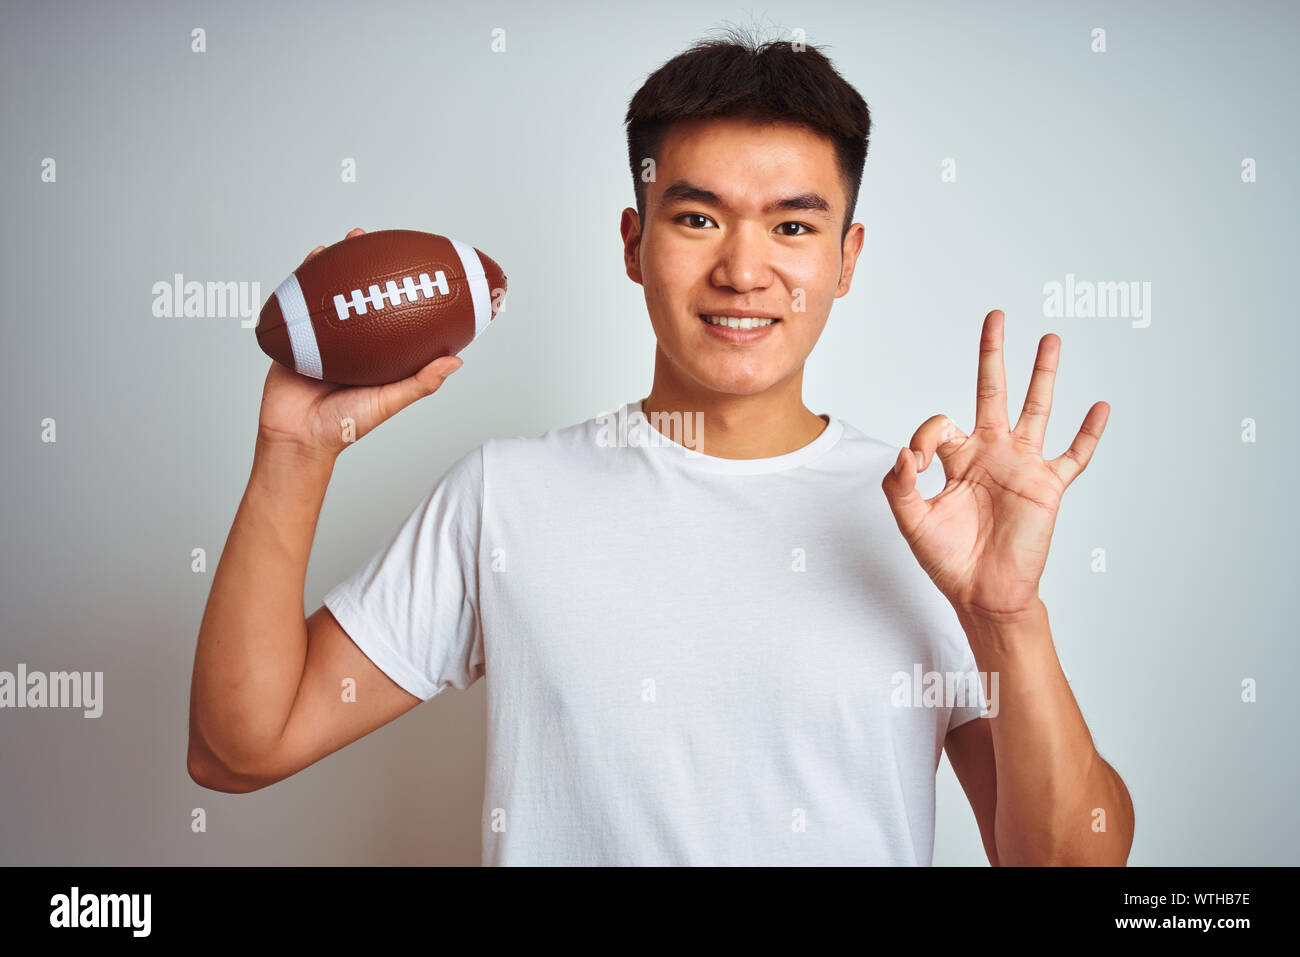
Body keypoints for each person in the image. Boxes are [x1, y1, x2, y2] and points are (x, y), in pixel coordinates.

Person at [187, 29, 1134, 866]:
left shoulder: (930, 524)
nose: (742, 268)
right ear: (635, 244)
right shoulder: (507, 498)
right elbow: (238, 747)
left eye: (793, 225)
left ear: (846, 260)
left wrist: (1006, 614)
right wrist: (292, 451)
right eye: (698, 217)